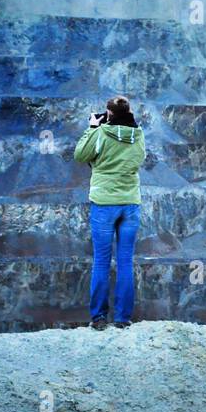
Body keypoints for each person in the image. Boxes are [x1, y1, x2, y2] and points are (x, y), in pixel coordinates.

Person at [74, 96, 146, 329]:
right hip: (130, 203)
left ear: (109, 113)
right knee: (125, 261)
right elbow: (139, 160)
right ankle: (123, 319)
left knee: (102, 262)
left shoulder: (101, 133)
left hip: (104, 204)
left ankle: (99, 317)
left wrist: (93, 127)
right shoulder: (139, 135)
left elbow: (80, 155)